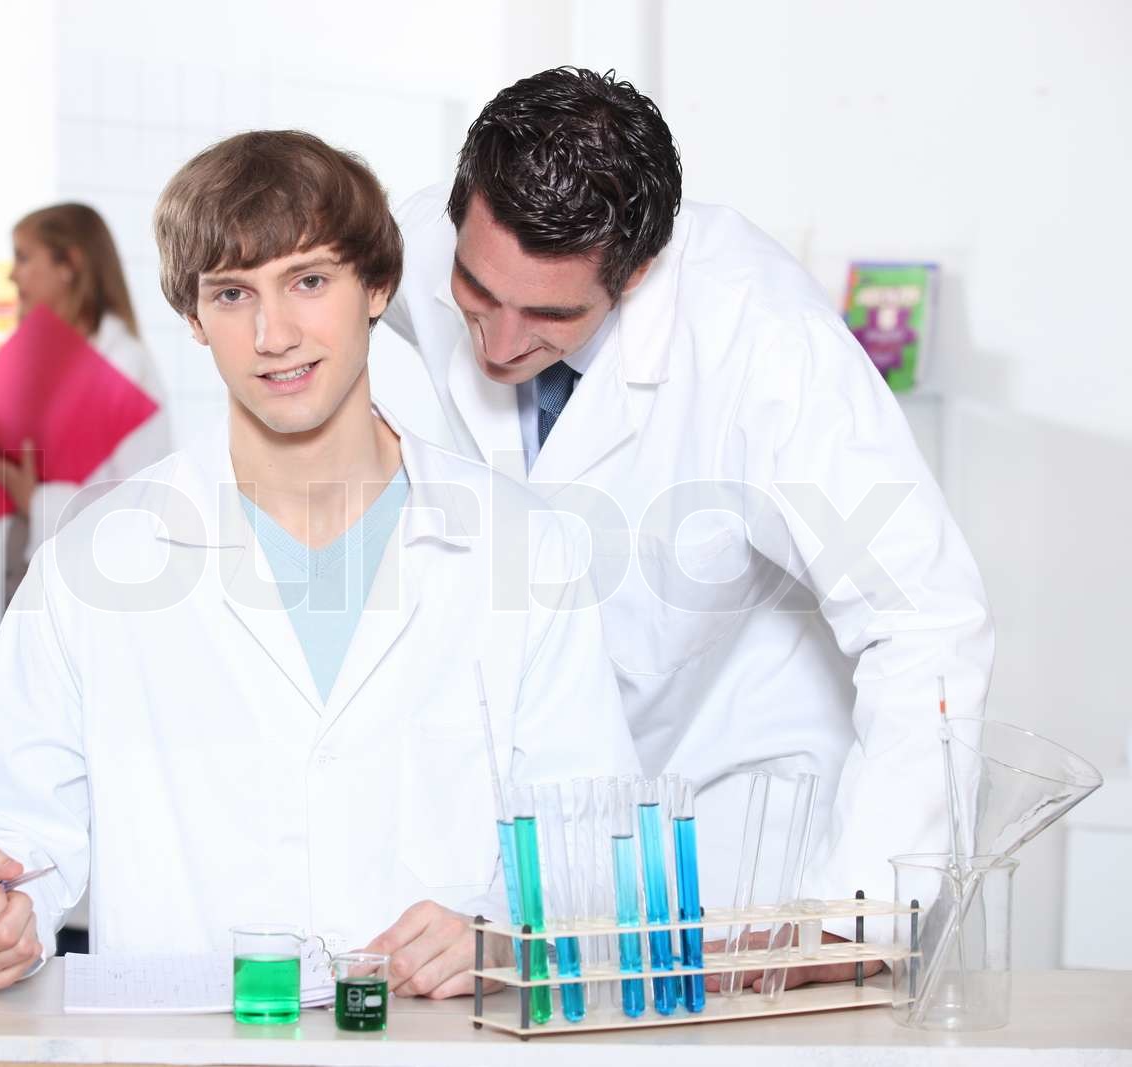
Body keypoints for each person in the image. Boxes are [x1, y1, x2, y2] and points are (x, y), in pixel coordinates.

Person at [0, 131, 640, 995]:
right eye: (233, 293)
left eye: (309, 281)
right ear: (195, 318)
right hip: (184, 1048)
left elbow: (595, 845)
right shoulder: (96, 563)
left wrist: (506, 940)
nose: (274, 333)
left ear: (376, 288)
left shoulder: (522, 548)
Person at [380, 67, 994, 989]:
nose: (499, 344)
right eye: (477, 290)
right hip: (522, 829)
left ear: (636, 270)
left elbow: (928, 619)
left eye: (551, 313)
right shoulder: (414, 250)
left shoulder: (763, 337)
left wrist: (853, 916)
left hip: (734, 821)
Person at [0, 203, 172, 565]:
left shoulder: (125, 366)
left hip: (90, 576)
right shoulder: (41, 363)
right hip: (23, 560)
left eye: (23, 258)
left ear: (69, 264)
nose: (12, 276)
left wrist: (37, 501)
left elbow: (141, 503)